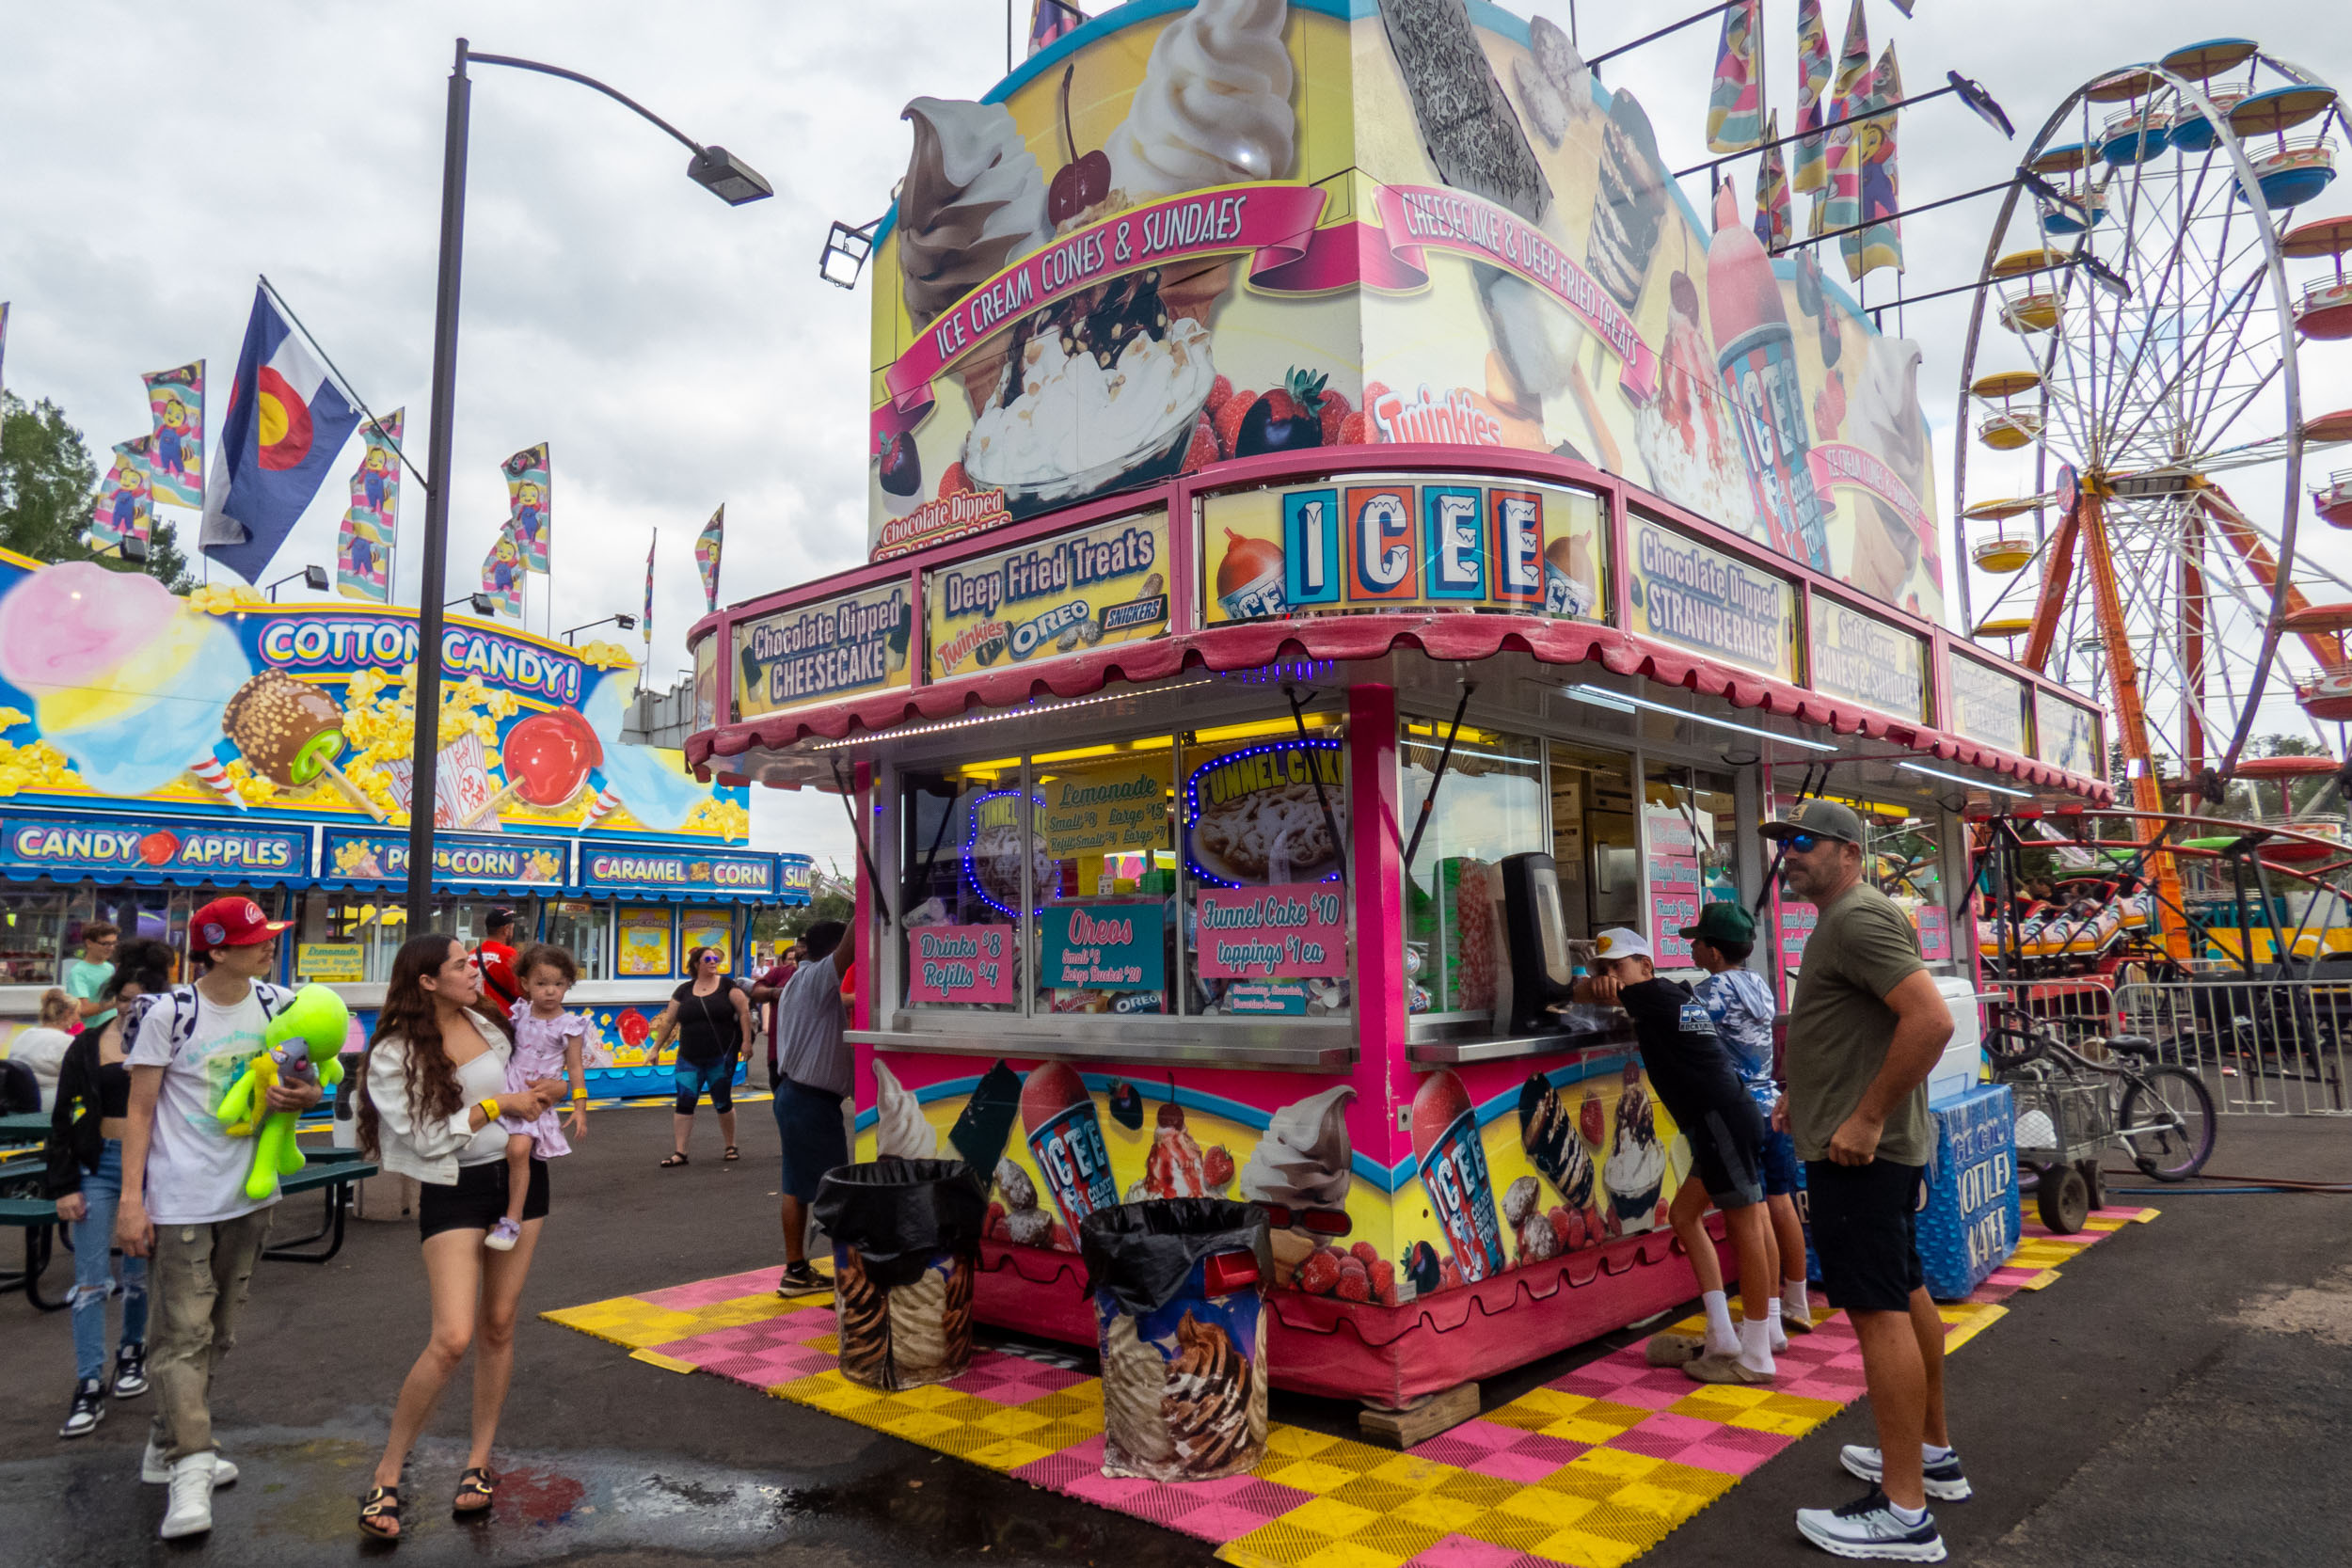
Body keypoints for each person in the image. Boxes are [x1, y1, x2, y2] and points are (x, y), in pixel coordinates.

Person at [1762, 799, 1961, 1561]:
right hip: (1859, 1143)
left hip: (1861, 1155)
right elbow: (1859, 1026)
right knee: (1904, 1294)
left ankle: (1905, 1512)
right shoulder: (1847, 917)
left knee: (1878, 1311)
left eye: (1803, 842)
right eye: (1785, 843)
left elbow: (1931, 1021)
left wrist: (1866, 1116)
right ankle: (1930, 1452)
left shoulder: (1856, 918)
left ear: (1848, 850)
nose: (1790, 854)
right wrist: (1803, 1093)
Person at [115, 896, 312, 1541]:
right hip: (181, 1199)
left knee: (217, 1332)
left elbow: (310, 1083)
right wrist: (131, 1199)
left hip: (252, 1196)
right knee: (182, 1334)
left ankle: (163, 1442)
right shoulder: (168, 1013)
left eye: (268, 937)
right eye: (255, 939)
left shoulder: (280, 1004)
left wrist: (302, 1093)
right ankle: (192, 1464)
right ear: (217, 949)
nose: (268, 947)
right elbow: (139, 1110)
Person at [356, 934, 566, 1541]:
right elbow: (426, 1139)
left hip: (523, 1183)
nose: (473, 970)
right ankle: (387, 1472)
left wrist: (549, 1092)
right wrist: (498, 1105)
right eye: (459, 965)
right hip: (455, 1187)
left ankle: (478, 1463)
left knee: (499, 1323)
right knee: (451, 1336)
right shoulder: (395, 1051)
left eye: (470, 962)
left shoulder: (493, 1025)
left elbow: (541, 1080)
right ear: (427, 980)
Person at [1568, 927, 1778, 1385]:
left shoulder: (1653, 995)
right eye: (1606, 969)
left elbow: (1580, 991)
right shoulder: (1668, 995)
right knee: (1685, 1216)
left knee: (1746, 1229)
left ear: (1646, 965)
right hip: (1717, 1120)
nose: (1612, 978)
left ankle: (1759, 1353)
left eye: (1618, 967)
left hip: (1721, 1118)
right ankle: (1723, 1335)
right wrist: (1604, 979)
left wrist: (1589, 983)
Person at [42, 941, 175, 1438]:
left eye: (141, 1000)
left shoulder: (167, 1043)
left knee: (139, 1276)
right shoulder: (88, 1044)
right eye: (122, 999)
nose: (130, 1009)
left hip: (152, 1171)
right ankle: (88, 1382)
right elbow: (63, 1117)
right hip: (97, 1167)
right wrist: (63, 1184)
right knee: (91, 1281)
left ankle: (132, 1352)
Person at [1684, 902, 1816, 1341]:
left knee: (1754, 1213)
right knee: (1780, 1202)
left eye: (1698, 942)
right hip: (1770, 1105)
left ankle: (1766, 1323)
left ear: (1715, 952)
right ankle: (1794, 1304)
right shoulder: (1758, 984)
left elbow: (1676, 1024)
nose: (1692, 948)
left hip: (1737, 1112)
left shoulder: (1711, 993)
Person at [771, 919, 855, 1297]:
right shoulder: (817, 977)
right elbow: (849, 946)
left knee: (795, 1185)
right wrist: (870, 898)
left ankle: (796, 1270)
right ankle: (852, 1276)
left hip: (795, 1096)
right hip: (810, 1101)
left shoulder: (799, 982)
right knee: (838, 1192)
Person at [487, 944, 589, 1251]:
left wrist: (580, 1108)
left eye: (558, 984)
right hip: (506, 1087)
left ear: (568, 985)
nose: (550, 992)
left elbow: (575, 1067)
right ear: (525, 984)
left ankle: (512, 1220)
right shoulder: (518, 1013)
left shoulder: (570, 1026)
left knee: (519, 1150)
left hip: (534, 1095)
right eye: (541, 984)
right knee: (497, 1147)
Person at [651, 945, 753, 1167]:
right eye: (708, 959)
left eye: (715, 958)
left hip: (720, 1057)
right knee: (685, 1102)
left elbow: (744, 1012)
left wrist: (746, 1041)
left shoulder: (727, 986)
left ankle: (730, 1146)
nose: (713, 961)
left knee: (722, 1101)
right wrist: (655, 1048)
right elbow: (669, 1021)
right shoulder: (684, 991)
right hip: (689, 1058)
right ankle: (680, 1152)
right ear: (697, 964)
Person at [10, 990, 80, 1109]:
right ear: (68, 1013)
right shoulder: (67, 1042)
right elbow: (81, 1078)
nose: (79, 1018)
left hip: (17, 1103)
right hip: (52, 1106)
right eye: (78, 1014)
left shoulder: (25, 1035)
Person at [748, 942, 803, 1086]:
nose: (793, 962)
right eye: (790, 958)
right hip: (778, 1052)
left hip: (807, 1054)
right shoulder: (780, 973)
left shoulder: (820, 974)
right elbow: (757, 992)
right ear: (783, 961)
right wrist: (774, 993)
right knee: (779, 1093)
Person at [66, 919, 120, 1026]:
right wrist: (116, 1002)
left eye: (114, 943)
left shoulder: (110, 967)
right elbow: (83, 1009)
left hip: (111, 1029)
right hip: (91, 1033)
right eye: (105, 944)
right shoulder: (78, 972)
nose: (111, 948)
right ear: (89, 943)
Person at [474, 909, 522, 1016]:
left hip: (474, 1018)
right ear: (506, 930)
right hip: (500, 1020)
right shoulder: (510, 954)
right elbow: (522, 991)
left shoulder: (470, 954)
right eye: (512, 929)